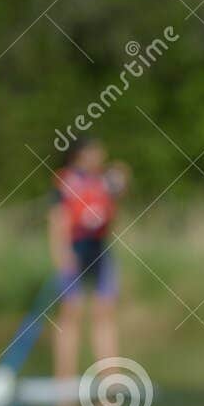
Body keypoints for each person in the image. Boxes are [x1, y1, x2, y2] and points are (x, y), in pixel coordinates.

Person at [49, 137, 129, 383]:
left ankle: (110, 376)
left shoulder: (105, 180)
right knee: (72, 310)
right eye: (94, 152)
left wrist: (123, 175)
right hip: (74, 247)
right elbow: (57, 219)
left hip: (99, 249)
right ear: (80, 155)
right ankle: (65, 376)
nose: (99, 157)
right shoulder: (66, 181)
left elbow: (120, 190)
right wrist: (61, 254)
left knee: (104, 310)